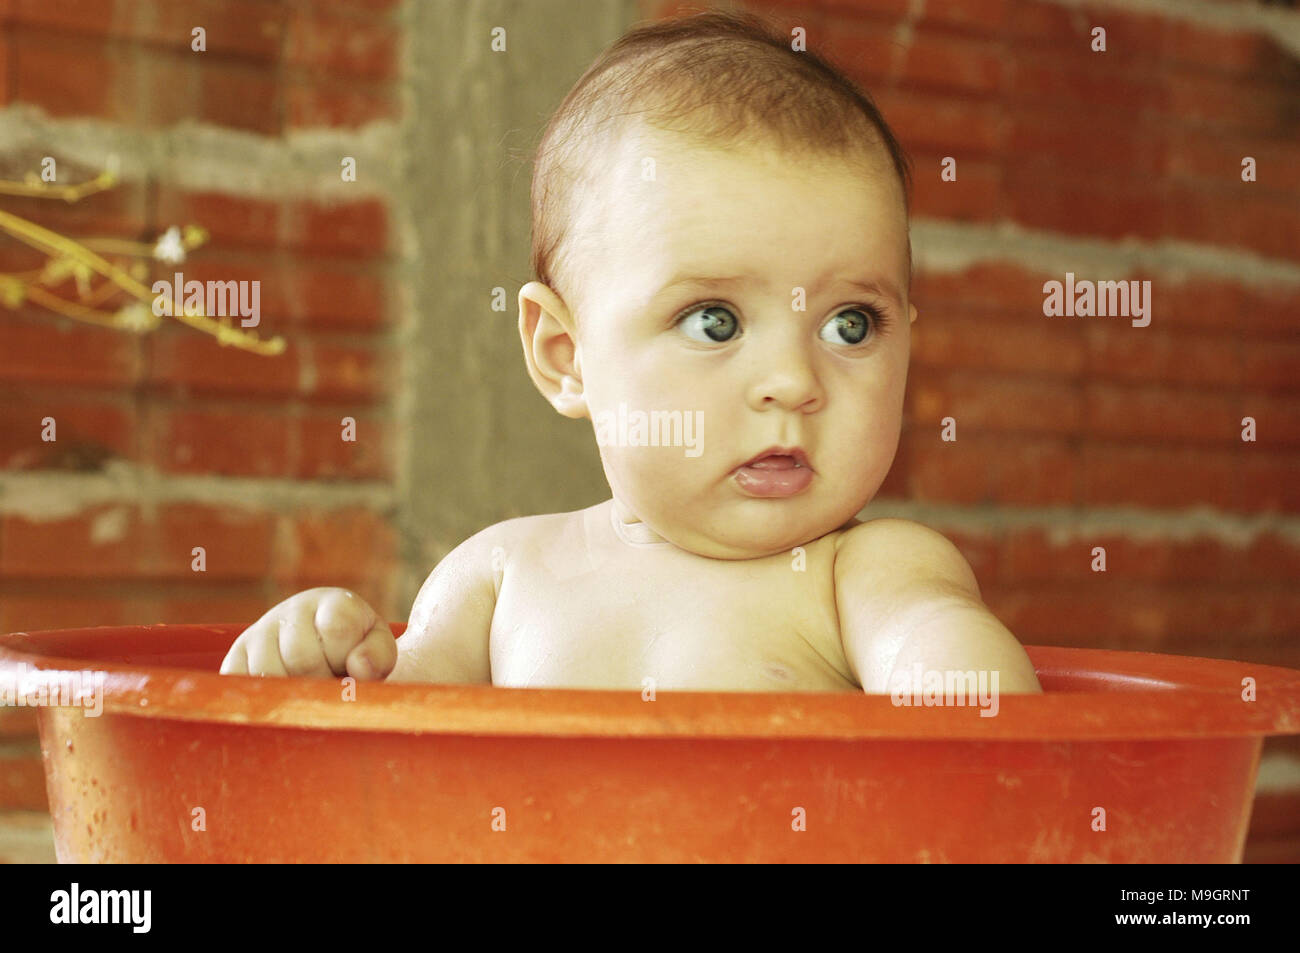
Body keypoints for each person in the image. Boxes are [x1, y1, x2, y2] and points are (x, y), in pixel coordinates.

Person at [221, 10, 1041, 697]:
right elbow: (390, 737)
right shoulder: (502, 577)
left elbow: (972, 700)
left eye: (850, 325)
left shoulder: (862, 573)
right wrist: (319, 666)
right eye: (715, 321)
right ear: (565, 355)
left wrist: (950, 666)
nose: (794, 382)